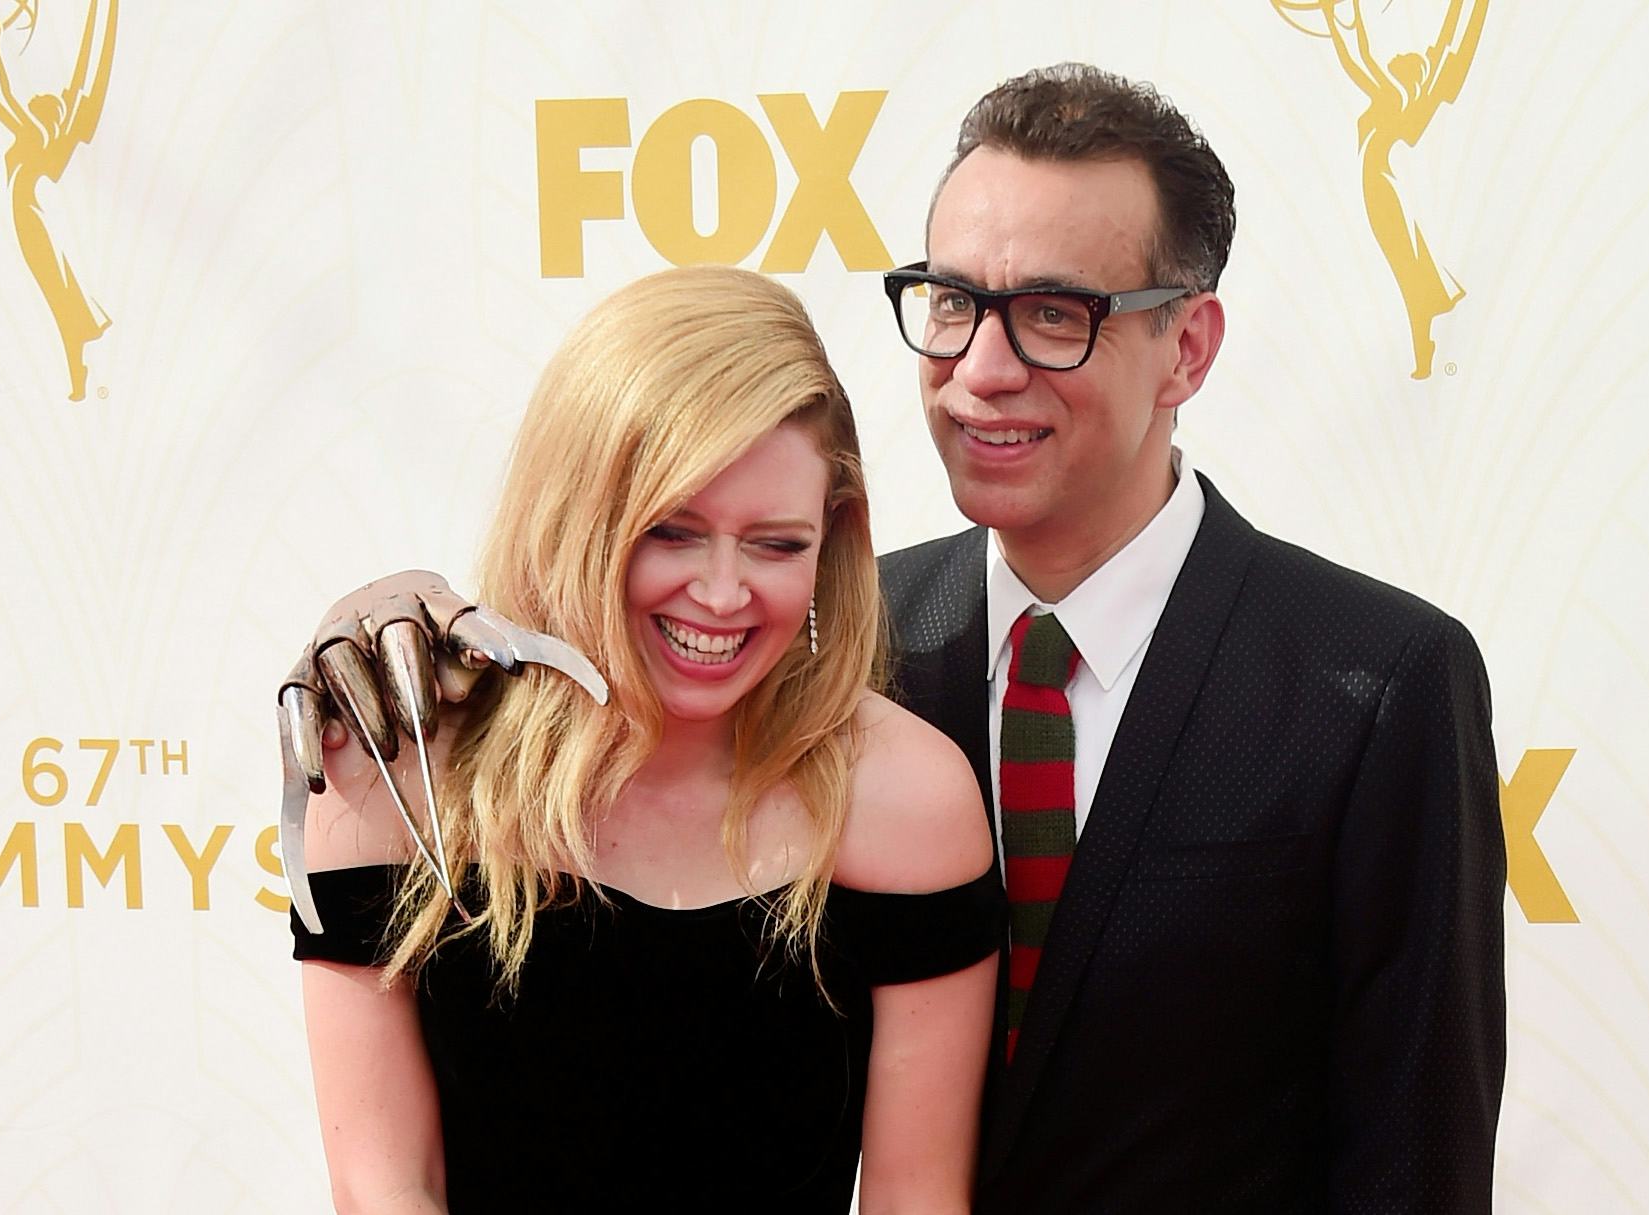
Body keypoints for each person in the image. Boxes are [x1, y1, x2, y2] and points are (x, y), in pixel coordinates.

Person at [288, 63, 1507, 1212]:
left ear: (1183, 347)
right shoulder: (815, 648)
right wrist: (383, 613)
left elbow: (1416, 1155)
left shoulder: (1372, 685)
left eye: (1052, 315)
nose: (981, 368)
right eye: (954, 303)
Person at [291, 265, 1000, 1213]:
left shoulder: (905, 800)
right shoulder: (397, 767)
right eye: (671, 530)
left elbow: (917, 1200)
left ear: (831, 537)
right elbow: (382, 1185)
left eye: (777, 543)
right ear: (576, 513)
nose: (721, 593)